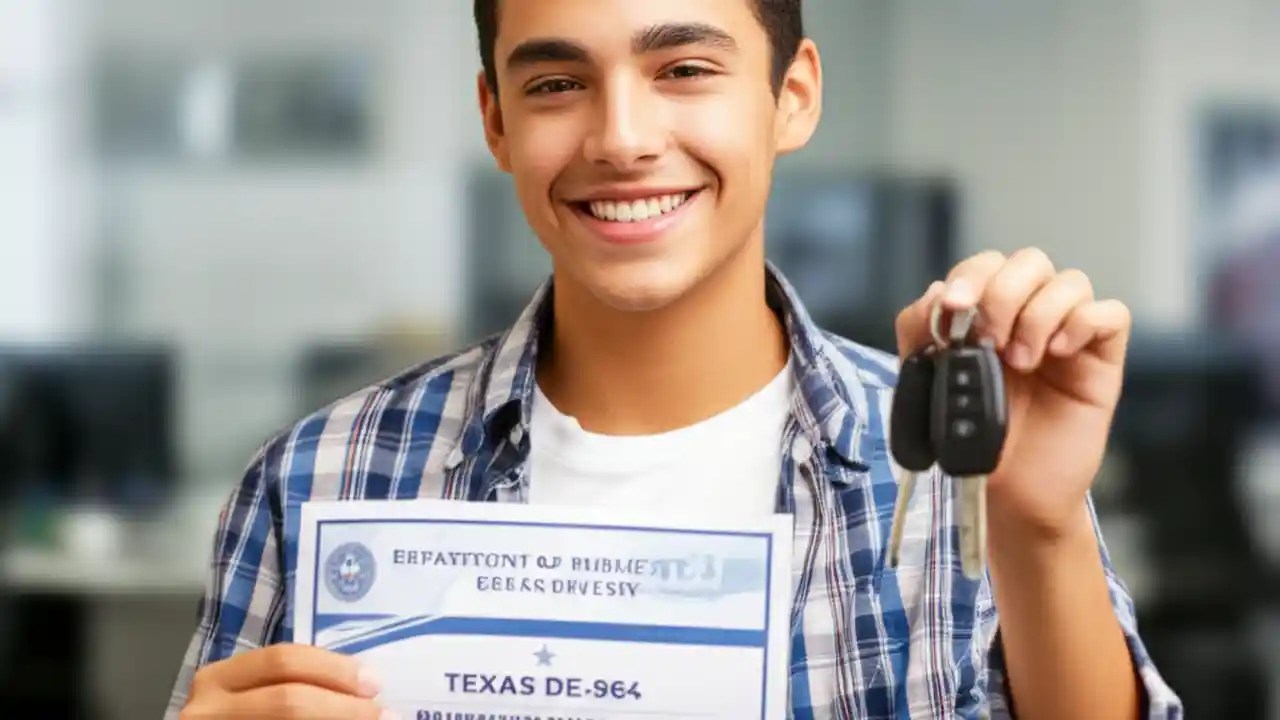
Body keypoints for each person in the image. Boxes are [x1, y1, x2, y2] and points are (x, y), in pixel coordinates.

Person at [168, 1, 1183, 718]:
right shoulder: (315, 480)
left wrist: (1037, 525)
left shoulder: (955, 463)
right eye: (557, 83)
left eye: (683, 70)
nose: (620, 137)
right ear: (496, 121)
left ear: (792, 95)